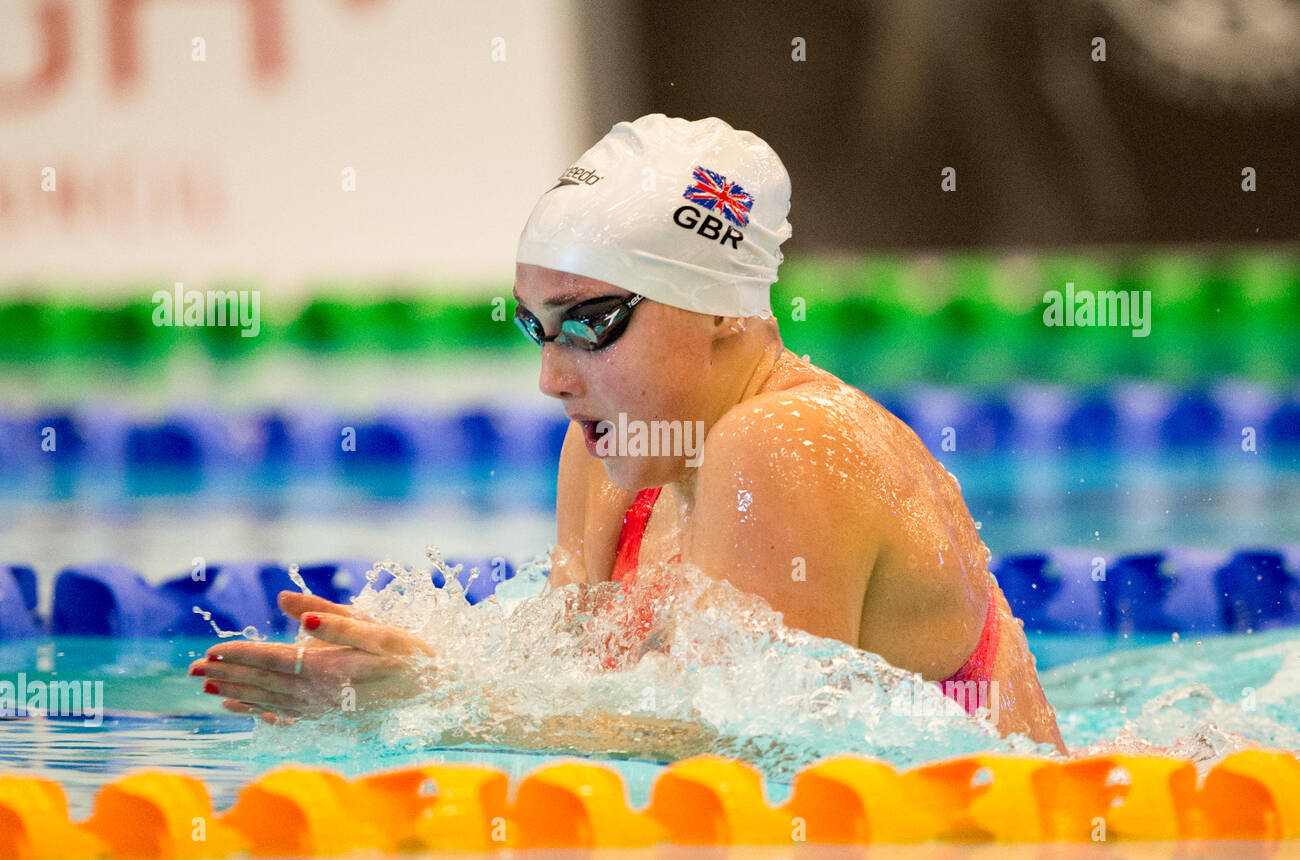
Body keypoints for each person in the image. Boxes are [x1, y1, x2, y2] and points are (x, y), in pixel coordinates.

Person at [192, 114, 1066, 753]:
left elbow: (760, 748)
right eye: (536, 326)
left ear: (722, 309)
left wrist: (436, 699)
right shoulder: (612, 455)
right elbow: (581, 698)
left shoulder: (790, 440)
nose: (552, 377)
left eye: (592, 322)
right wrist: (399, 667)